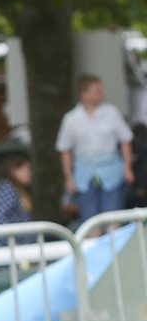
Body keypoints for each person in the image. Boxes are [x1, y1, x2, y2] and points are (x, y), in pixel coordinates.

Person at [55, 76, 133, 221]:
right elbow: (65, 150)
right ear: (84, 94)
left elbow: (125, 140)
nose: (102, 94)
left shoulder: (111, 112)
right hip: (84, 175)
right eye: (97, 91)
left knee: (113, 218)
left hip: (111, 172)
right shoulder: (71, 119)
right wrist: (68, 177)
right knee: (89, 219)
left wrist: (127, 167)